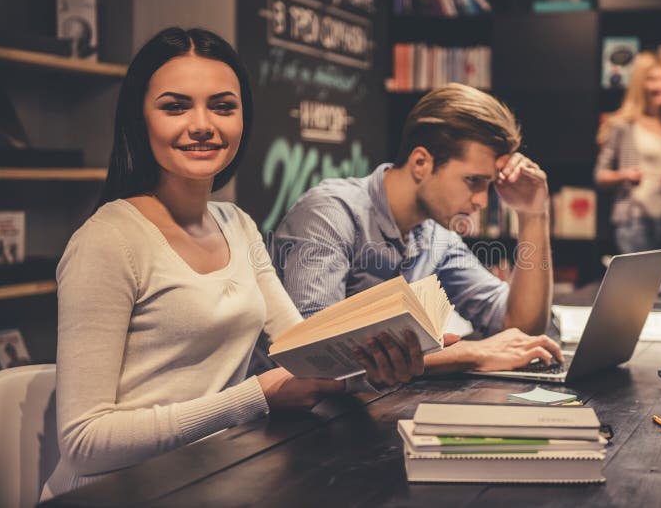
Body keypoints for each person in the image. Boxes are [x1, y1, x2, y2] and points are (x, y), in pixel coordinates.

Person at [41, 27, 422, 500]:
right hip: (111, 495)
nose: (203, 124)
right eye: (175, 106)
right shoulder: (106, 240)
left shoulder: (236, 225)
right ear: (140, 120)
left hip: (205, 479)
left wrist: (371, 370)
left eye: (222, 106)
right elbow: (83, 443)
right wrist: (256, 396)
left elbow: (302, 351)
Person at [271, 83, 564, 375]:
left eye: (488, 184)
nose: (481, 201)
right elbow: (318, 358)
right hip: (287, 419)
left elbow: (520, 326)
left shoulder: (437, 236)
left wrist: (533, 214)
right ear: (421, 163)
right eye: (473, 181)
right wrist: (467, 354)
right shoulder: (330, 213)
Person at [594, 51, 661, 254]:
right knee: (638, 284)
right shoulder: (624, 125)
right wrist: (625, 175)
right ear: (640, 85)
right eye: (653, 79)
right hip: (634, 218)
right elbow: (600, 175)